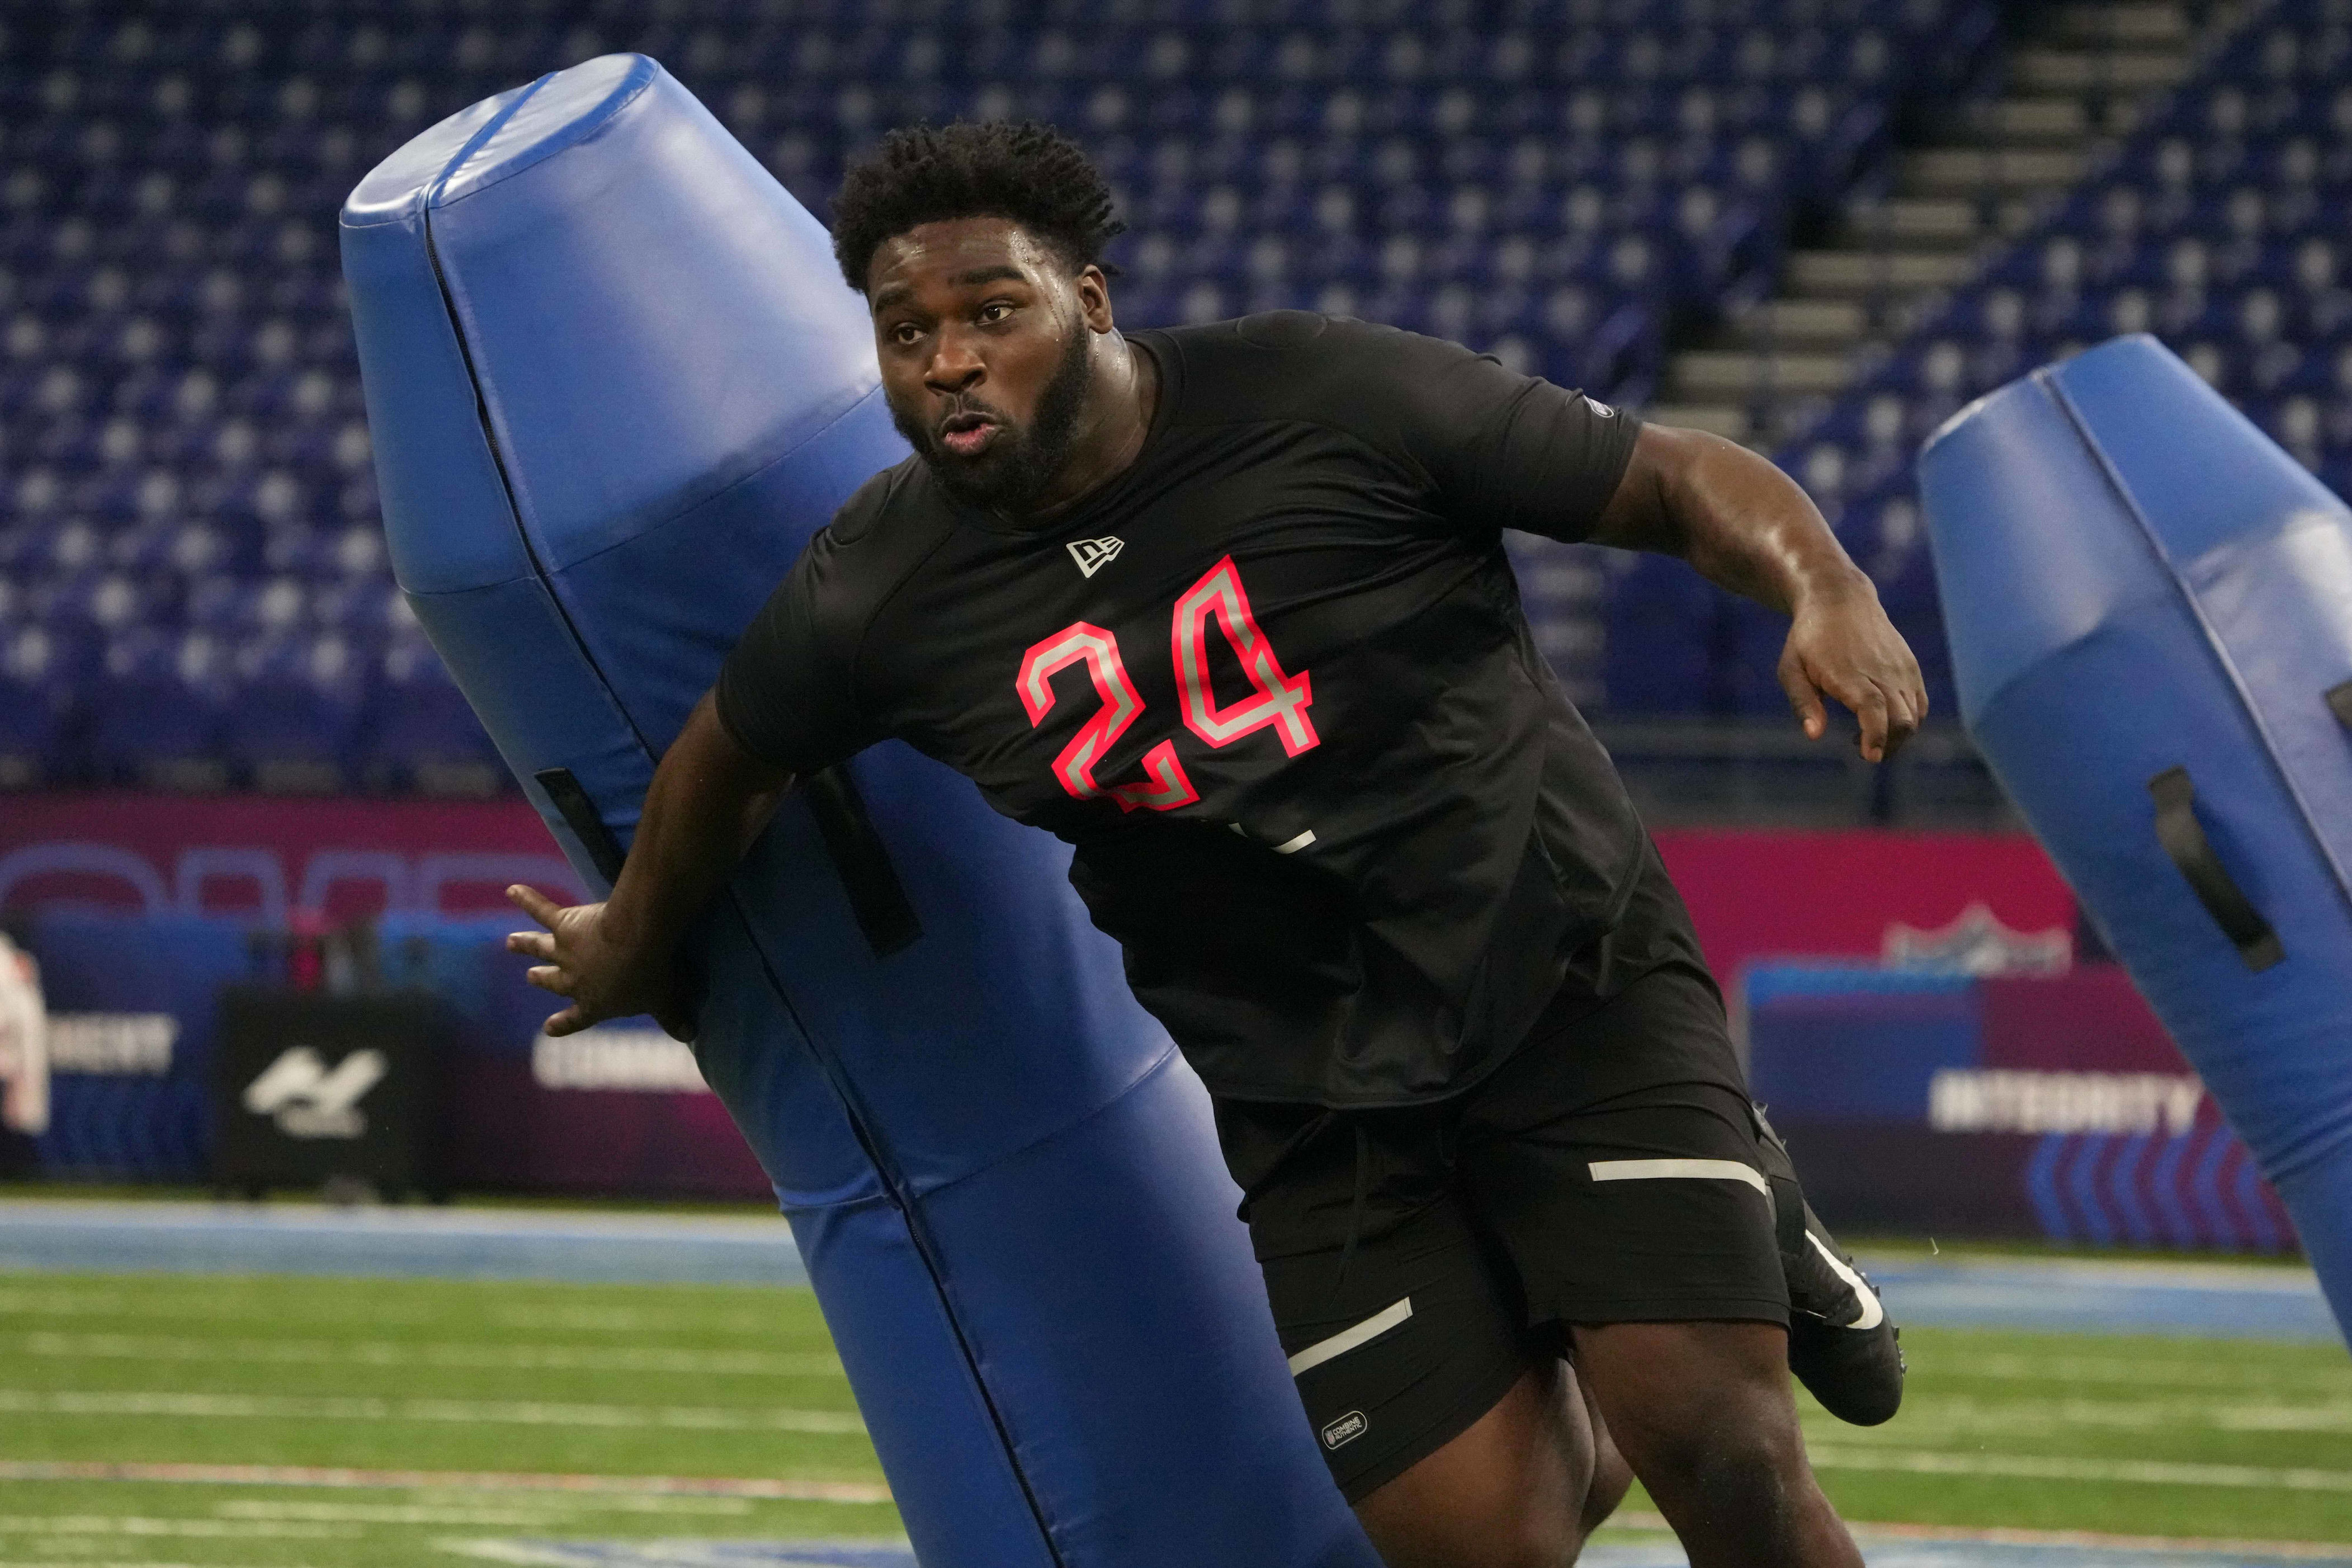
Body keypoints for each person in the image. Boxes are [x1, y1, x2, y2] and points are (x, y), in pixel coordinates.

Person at [505, 122, 1913, 1568]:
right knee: (1483, 1544)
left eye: (995, 310)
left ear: (1091, 302)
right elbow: (728, 754)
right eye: (907, 328)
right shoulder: (883, 582)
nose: (950, 359)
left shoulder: (1322, 393)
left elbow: (1667, 474)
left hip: (1560, 981)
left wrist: (1826, 584)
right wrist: (634, 930)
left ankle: (1721, 1248)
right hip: (1306, 1094)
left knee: (1721, 1445)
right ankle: (1699, 1266)